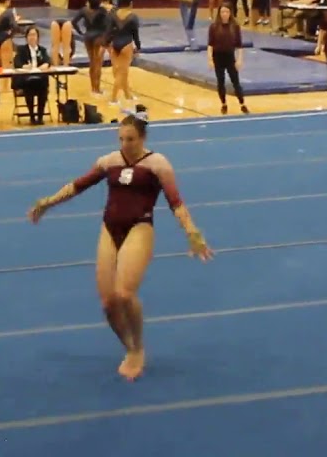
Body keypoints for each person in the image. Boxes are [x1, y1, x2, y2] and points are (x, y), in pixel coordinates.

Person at [27, 108, 213, 382]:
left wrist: (192, 233)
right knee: (108, 303)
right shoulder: (109, 161)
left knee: (124, 294)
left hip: (139, 227)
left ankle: (138, 348)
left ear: (143, 138)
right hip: (109, 228)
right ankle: (129, 346)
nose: (125, 144)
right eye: (121, 139)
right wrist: (47, 202)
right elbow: (77, 186)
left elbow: (176, 202)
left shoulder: (158, 164)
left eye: (131, 139)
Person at [207, 5, 247, 115]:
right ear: (219, 13)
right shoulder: (214, 27)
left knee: (235, 81)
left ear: (230, 13)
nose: (224, 14)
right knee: (221, 81)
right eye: (222, 12)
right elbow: (210, 44)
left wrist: (239, 59)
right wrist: (210, 59)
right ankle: (224, 104)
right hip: (217, 57)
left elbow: (239, 45)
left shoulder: (235, 27)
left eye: (227, 12)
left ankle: (242, 103)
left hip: (230, 57)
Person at [72, 0, 110, 95]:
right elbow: (108, 23)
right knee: (98, 63)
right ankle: (97, 89)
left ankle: (93, 88)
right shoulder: (101, 10)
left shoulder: (84, 10)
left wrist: (81, 32)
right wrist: (106, 37)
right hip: (98, 37)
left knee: (92, 62)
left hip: (88, 37)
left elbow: (74, 22)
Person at [13, 25, 51, 124]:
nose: (32, 37)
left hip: (40, 79)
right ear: (26, 37)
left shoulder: (42, 50)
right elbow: (17, 62)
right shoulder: (21, 49)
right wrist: (25, 66)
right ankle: (32, 116)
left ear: (38, 37)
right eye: (30, 35)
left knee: (43, 89)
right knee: (29, 88)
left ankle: (40, 116)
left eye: (34, 35)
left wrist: (45, 65)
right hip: (27, 79)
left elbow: (47, 61)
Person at [108, 0, 141, 106]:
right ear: (130, 3)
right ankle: (113, 98)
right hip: (126, 44)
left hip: (114, 44)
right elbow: (135, 34)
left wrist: (107, 43)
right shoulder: (133, 17)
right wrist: (138, 47)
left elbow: (109, 31)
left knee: (120, 71)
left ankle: (128, 95)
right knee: (122, 73)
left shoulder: (113, 14)